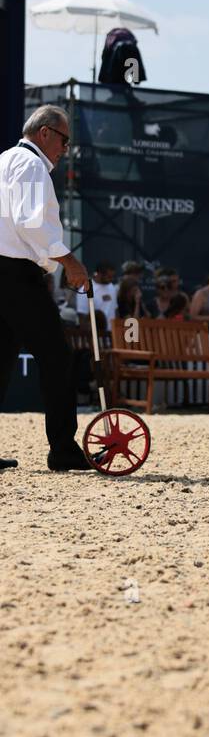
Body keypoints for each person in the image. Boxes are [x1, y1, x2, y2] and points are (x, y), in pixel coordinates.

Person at [0, 105, 91, 471]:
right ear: (46, 133)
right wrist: (69, 261)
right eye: (64, 141)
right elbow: (33, 223)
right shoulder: (33, 166)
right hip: (16, 275)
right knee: (57, 356)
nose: (64, 150)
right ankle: (63, 450)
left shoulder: (4, 159)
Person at [75, 261, 117, 326]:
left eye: (113, 276)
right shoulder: (85, 289)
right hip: (96, 333)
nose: (112, 279)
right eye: (109, 277)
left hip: (112, 332)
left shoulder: (112, 287)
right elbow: (82, 316)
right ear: (99, 274)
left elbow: (115, 309)